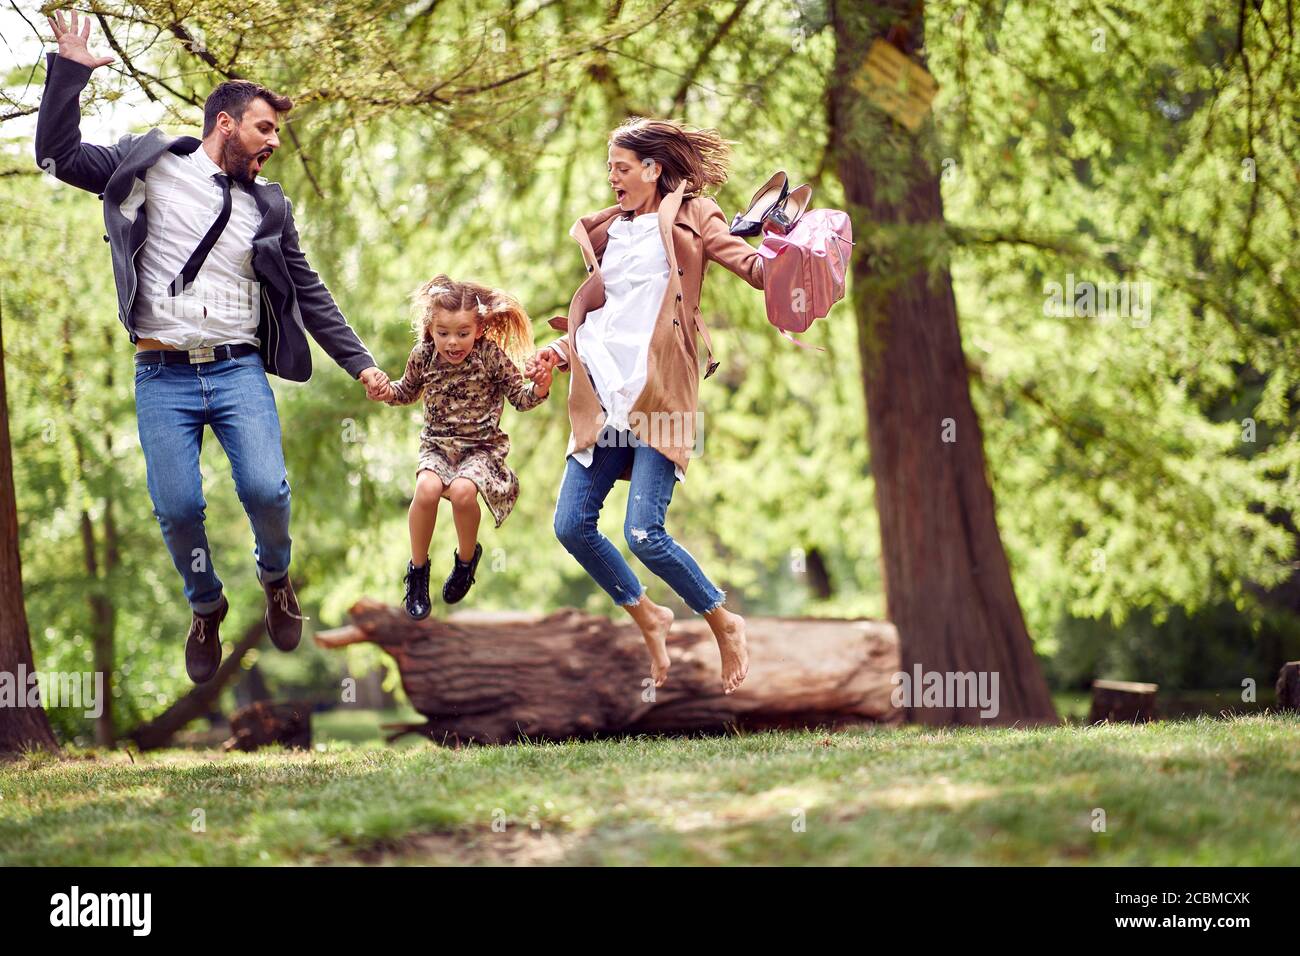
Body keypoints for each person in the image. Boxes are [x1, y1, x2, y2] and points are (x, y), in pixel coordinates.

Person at [34, 11, 391, 683]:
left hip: (236, 371)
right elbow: (55, 157)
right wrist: (71, 72)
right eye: (265, 127)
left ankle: (276, 578)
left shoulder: (269, 208)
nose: (274, 143)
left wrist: (363, 364)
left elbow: (310, 292)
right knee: (175, 507)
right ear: (224, 124)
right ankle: (206, 606)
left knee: (265, 490)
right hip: (160, 374)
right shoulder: (147, 165)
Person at [525, 118, 766, 695]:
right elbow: (604, 316)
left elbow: (756, 271)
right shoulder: (608, 232)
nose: (612, 179)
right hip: (604, 394)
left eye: (622, 168)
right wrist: (559, 351)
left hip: (660, 392)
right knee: (571, 526)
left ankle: (720, 619)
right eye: (609, 168)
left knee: (643, 533)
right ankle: (647, 613)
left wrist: (795, 257)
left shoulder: (695, 215)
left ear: (654, 169)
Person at [379, 276, 551, 617]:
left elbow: (521, 397)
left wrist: (541, 387)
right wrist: (386, 391)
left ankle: (466, 561)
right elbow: (406, 392)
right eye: (443, 333)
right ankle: (417, 573)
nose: (453, 342)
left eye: (462, 333)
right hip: (438, 445)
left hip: (481, 449)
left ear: (479, 328)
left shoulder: (490, 356)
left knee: (461, 492)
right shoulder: (424, 356)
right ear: (430, 329)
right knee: (426, 489)